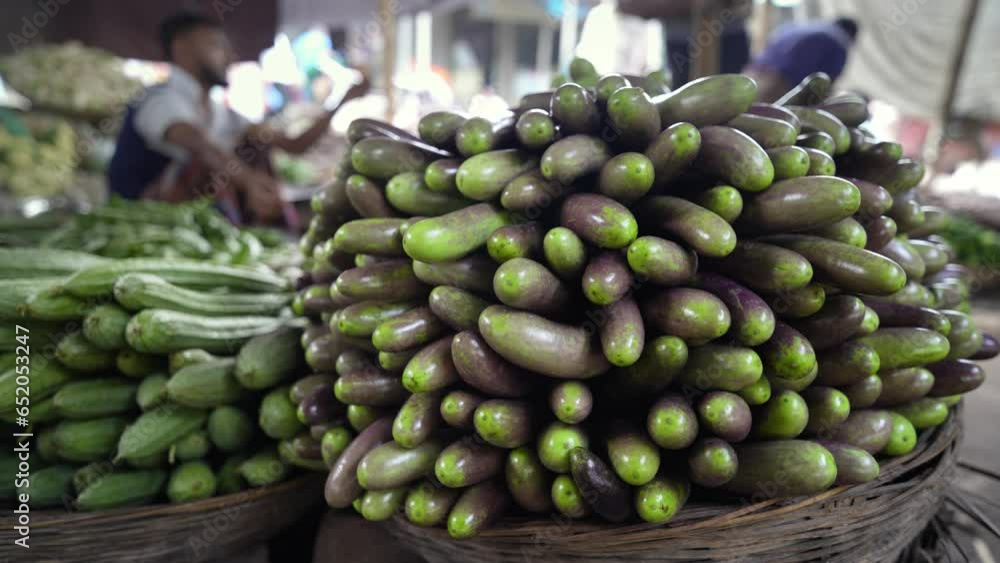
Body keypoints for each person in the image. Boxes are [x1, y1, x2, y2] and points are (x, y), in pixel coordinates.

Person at [107, 12, 367, 224]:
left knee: (256, 145)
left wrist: (342, 101)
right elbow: (199, 145)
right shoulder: (158, 100)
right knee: (210, 161)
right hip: (139, 223)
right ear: (181, 47)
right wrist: (248, 181)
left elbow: (293, 144)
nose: (230, 57)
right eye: (217, 45)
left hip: (187, 221)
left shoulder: (219, 111)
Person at [744, 17, 859, 102]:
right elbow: (826, 82)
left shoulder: (804, 26)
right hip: (779, 81)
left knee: (741, 113)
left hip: (754, 72)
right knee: (762, 119)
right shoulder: (839, 41)